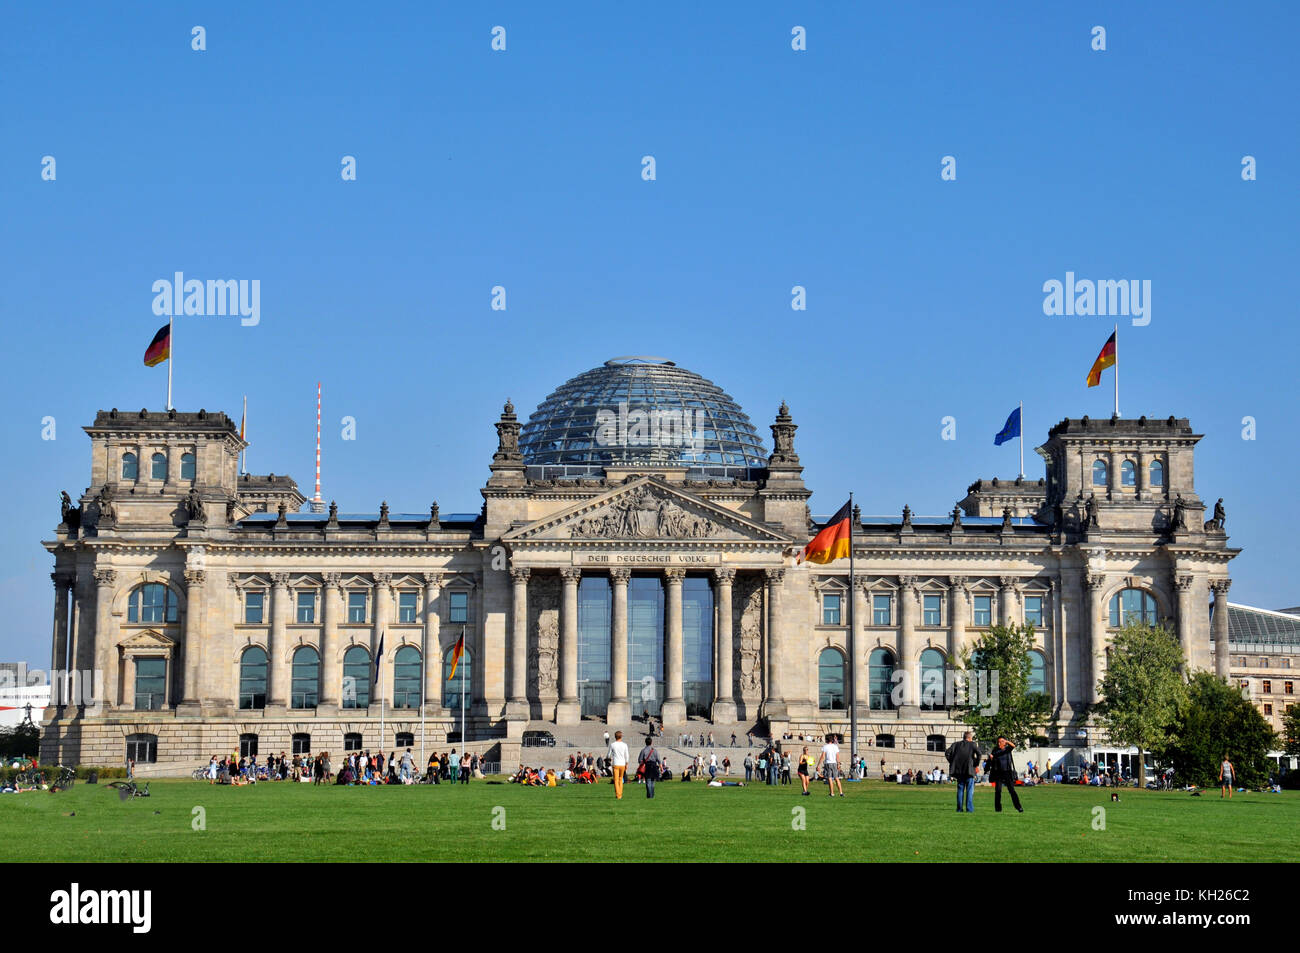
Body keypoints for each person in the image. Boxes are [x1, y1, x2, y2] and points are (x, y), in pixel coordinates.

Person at [945, 731, 981, 813]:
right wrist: (975, 763)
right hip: (969, 770)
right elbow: (979, 754)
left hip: (959, 771)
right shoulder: (972, 744)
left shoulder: (955, 744)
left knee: (960, 790)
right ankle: (969, 809)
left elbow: (947, 753)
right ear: (969, 738)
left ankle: (959, 809)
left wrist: (952, 761)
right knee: (969, 790)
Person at [989, 736, 1023, 813]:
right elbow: (992, 761)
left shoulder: (1007, 749)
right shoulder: (995, 750)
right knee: (998, 791)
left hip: (1007, 772)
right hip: (998, 773)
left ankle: (1018, 807)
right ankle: (998, 809)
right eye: (998, 742)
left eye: (1000, 741)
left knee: (1012, 790)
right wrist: (991, 759)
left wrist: (1007, 741)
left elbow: (1013, 746)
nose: (999, 743)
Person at [608, 730, 630, 799]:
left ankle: (618, 795)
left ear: (615, 737)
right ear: (621, 736)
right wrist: (626, 763)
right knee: (621, 779)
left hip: (616, 764)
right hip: (622, 764)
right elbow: (627, 755)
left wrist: (609, 758)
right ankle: (620, 794)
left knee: (616, 780)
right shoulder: (624, 745)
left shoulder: (612, 744)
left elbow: (608, 755)